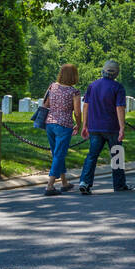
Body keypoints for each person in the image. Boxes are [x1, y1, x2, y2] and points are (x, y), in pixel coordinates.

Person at [78, 59, 132, 195]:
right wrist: (122, 128)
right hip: (112, 127)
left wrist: (84, 125)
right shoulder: (118, 87)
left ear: (103, 71)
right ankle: (119, 184)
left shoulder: (93, 85)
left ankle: (85, 182)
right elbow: (119, 107)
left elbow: (86, 106)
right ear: (116, 74)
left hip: (95, 127)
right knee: (117, 155)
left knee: (92, 155)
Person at [43, 63, 83, 196]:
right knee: (59, 154)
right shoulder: (74, 92)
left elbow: (46, 104)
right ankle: (50, 186)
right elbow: (77, 112)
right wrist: (79, 124)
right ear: (73, 76)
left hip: (49, 123)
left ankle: (64, 183)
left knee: (56, 153)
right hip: (64, 125)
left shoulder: (52, 86)